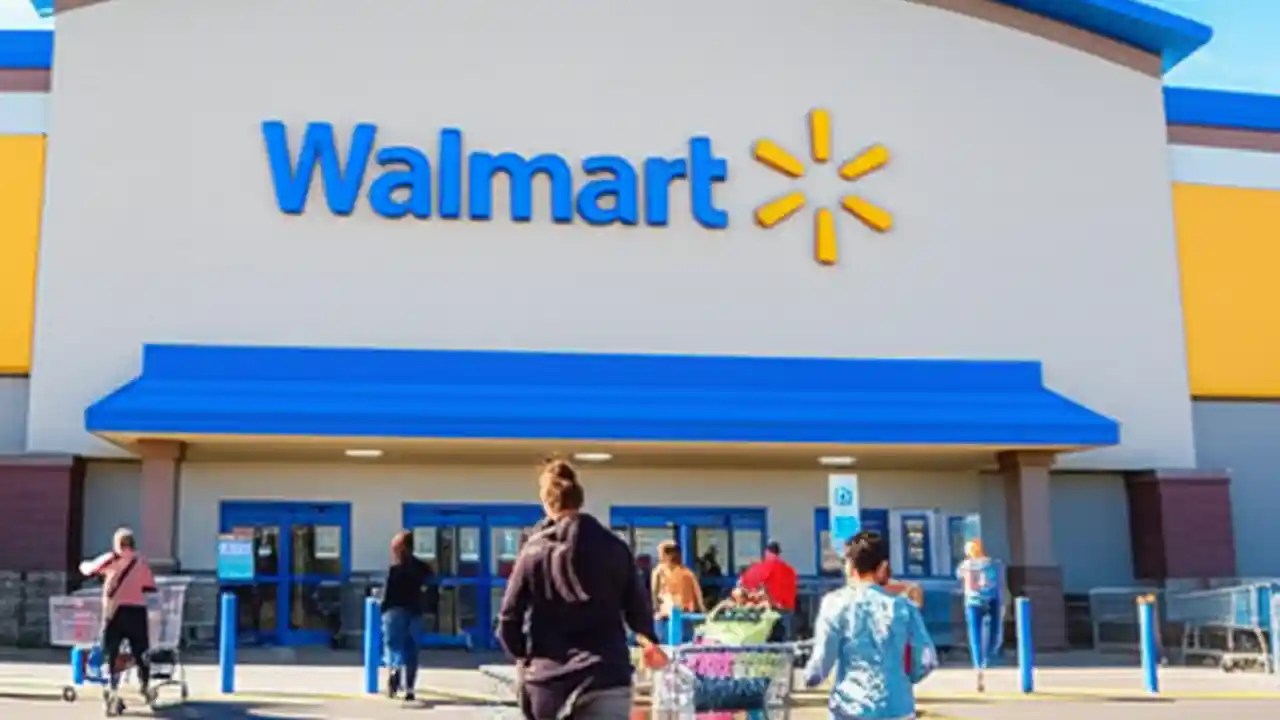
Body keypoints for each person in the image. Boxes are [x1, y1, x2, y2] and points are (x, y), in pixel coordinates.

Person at [497, 458, 667, 720]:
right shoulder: (615, 547)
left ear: (546, 503)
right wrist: (649, 641)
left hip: (548, 680)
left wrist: (524, 658)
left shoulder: (533, 551)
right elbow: (637, 609)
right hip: (607, 674)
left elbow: (509, 618)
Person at [804, 531, 937, 720]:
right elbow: (926, 659)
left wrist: (810, 678)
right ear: (883, 567)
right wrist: (905, 679)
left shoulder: (834, 604)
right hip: (897, 707)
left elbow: (822, 661)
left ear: (849, 567)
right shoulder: (904, 607)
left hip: (849, 707)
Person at [79, 527, 158, 705]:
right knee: (141, 650)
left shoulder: (111, 559)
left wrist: (83, 565)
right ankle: (144, 684)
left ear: (117, 544)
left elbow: (89, 569)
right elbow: (150, 586)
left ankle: (112, 688)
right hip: (137, 611)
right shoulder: (141, 562)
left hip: (115, 611)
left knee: (111, 651)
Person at [381, 530, 431, 701]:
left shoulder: (395, 568)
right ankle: (410, 688)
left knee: (394, 645)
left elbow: (388, 593)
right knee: (412, 650)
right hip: (415, 611)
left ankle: (394, 669)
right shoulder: (421, 568)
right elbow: (431, 584)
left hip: (394, 611)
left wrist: (383, 608)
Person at [955, 539, 1003, 692]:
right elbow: (997, 584)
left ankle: (980, 665)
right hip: (985, 601)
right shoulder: (990, 564)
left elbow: (964, 583)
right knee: (988, 634)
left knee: (976, 635)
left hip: (975, 602)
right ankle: (982, 664)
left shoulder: (968, 566)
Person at [738, 540, 798, 640]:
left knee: (768, 640)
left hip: (770, 610)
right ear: (779, 553)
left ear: (766, 552)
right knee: (786, 641)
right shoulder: (789, 570)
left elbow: (746, 585)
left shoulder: (760, 568)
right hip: (787, 608)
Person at [651, 540, 705, 619]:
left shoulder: (659, 572)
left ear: (668, 555)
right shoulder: (687, 573)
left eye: (660, 553)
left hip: (674, 613)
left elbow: (654, 594)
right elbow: (698, 594)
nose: (659, 556)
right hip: (678, 613)